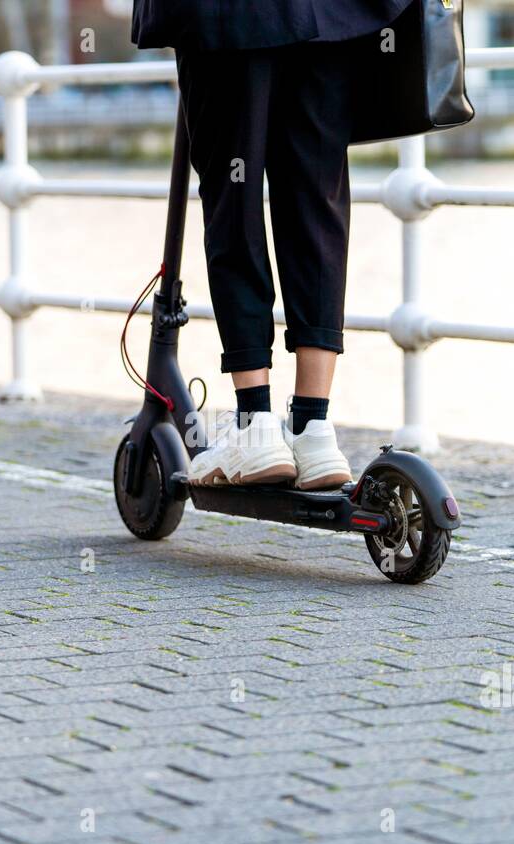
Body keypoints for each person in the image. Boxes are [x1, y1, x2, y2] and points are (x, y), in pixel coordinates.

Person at [131, 0, 411, 489]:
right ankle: (313, 427)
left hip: (234, 17)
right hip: (333, 16)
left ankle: (256, 426)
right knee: (316, 200)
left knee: (232, 201)